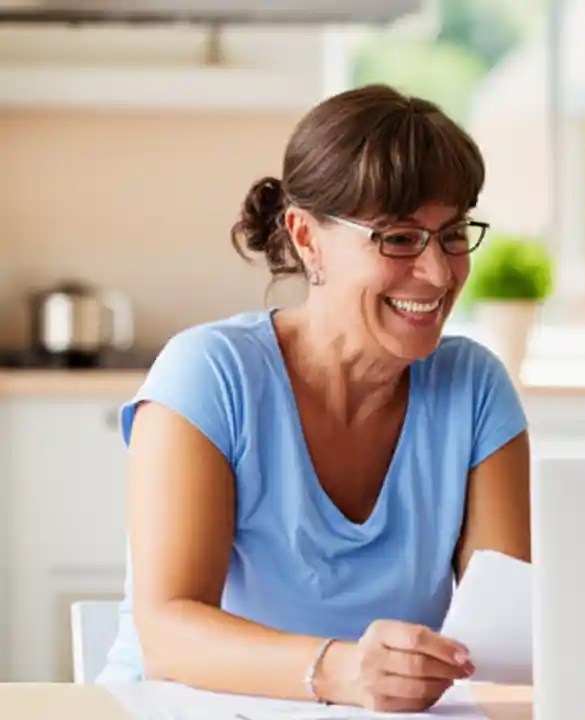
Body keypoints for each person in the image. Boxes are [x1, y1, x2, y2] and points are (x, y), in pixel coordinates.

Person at [96, 84, 531, 713]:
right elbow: (167, 631)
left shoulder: (475, 388)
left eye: (453, 233)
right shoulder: (211, 374)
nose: (439, 273)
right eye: (400, 238)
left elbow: (506, 639)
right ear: (307, 236)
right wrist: (342, 670)